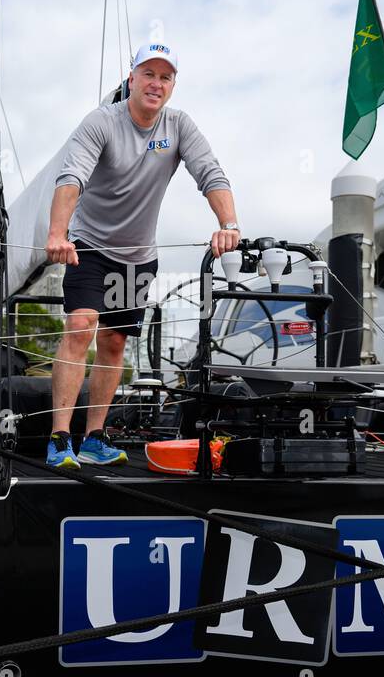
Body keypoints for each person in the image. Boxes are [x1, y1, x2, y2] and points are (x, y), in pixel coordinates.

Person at [44, 42, 240, 468]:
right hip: (89, 245)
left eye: (165, 77)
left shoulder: (179, 125)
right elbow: (71, 175)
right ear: (131, 79)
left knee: (114, 342)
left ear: (172, 86)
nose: (156, 83)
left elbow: (211, 172)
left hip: (137, 255)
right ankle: (60, 438)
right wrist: (58, 234)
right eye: (148, 74)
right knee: (81, 326)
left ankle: (95, 438)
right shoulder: (101, 122)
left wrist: (229, 226)